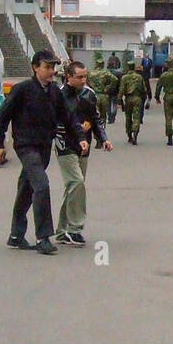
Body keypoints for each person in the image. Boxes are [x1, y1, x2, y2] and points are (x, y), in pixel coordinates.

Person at [0, 50, 89, 254]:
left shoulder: (54, 92)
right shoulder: (22, 90)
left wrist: (80, 137)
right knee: (42, 185)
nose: (51, 71)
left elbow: (68, 117)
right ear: (36, 67)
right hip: (26, 146)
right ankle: (43, 237)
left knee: (26, 188)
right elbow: (1, 116)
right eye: (47, 67)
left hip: (44, 146)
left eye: (53, 67)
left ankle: (16, 235)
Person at [55, 61, 113, 246]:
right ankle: (75, 228)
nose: (83, 80)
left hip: (84, 145)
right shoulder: (59, 95)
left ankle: (63, 230)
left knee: (74, 187)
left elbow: (94, 118)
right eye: (79, 77)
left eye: (85, 76)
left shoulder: (89, 94)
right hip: (65, 144)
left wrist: (103, 138)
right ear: (69, 77)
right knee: (76, 182)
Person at [119, 60, 149, 145]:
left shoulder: (124, 77)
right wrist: (144, 98)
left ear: (128, 67)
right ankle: (135, 134)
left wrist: (119, 99)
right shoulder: (139, 77)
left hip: (128, 99)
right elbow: (144, 89)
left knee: (128, 118)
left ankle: (129, 136)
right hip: (137, 98)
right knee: (136, 117)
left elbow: (121, 90)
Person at [89, 60, 119, 131]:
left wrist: (91, 87)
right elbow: (115, 79)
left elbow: (86, 80)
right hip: (103, 95)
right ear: (103, 64)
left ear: (96, 64)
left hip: (94, 95)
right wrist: (108, 88)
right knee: (103, 116)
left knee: (95, 116)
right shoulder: (106, 73)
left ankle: (96, 135)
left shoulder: (91, 73)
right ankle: (102, 133)